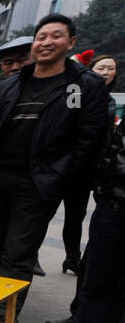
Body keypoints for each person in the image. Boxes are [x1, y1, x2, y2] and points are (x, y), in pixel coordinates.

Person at [0, 14, 110, 317]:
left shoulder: (83, 86)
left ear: (71, 42)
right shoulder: (12, 83)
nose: (46, 42)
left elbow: (88, 140)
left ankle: (4, 320)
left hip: (37, 182)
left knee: (18, 255)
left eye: (55, 36)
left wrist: (59, 177)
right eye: (41, 37)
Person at [37, 120, 125, 323]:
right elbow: (115, 146)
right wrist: (103, 184)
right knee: (96, 273)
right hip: (115, 200)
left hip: (115, 194)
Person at [57, 52, 118, 276]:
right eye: (101, 67)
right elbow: (67, 122)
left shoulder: (110, 101)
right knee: (42, 212)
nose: (106, 72)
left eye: (110, 68)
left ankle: (72, 257)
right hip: (65, 164)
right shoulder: (76, 92)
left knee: (76, 215)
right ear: (90, 69)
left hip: (89, 169)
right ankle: (33, 257)